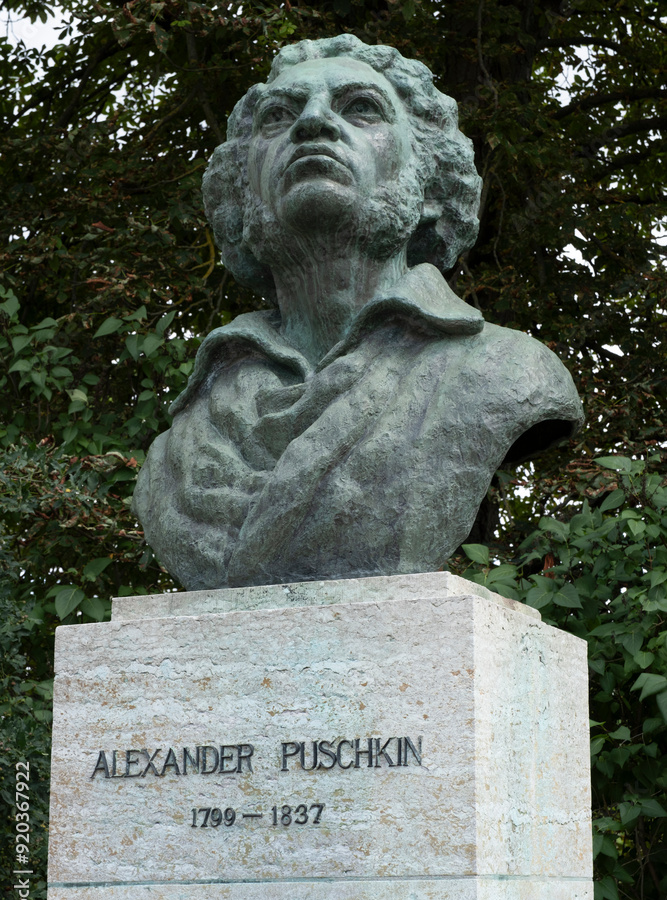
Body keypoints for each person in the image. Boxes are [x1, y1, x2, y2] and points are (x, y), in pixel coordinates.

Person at [132, 34, 583, 591]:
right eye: (279, 115)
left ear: (432, 186)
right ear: (241, 195)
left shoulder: (505, 374)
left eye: (360, 108)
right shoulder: (188, 434)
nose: (312, 125)